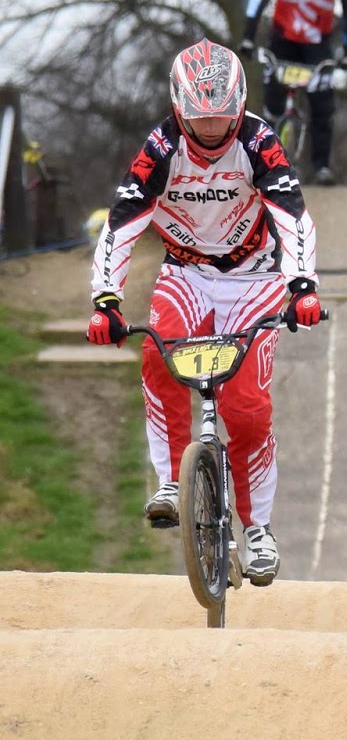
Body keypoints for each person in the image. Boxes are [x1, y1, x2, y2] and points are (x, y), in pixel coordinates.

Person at [85, 40, 322, 587]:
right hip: (187, 273)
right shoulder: (160, 147)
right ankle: (170, 481)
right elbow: (120, 226)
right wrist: (106, 300)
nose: (212, 130)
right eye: (200, 118)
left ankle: (257, 527)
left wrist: (303, 287)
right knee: (156, 352)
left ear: (238, 105)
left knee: (246, 408)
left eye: (221, 118)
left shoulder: (261, 141)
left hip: (256, 276)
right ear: (178, 108)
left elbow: (293, 217)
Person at [240, 0, 347, 186]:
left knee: (323, 106)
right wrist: (248, 34)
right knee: (273, 104)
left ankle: (321, 167)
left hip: (319, 43)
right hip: (283, 39)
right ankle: (261, 163)